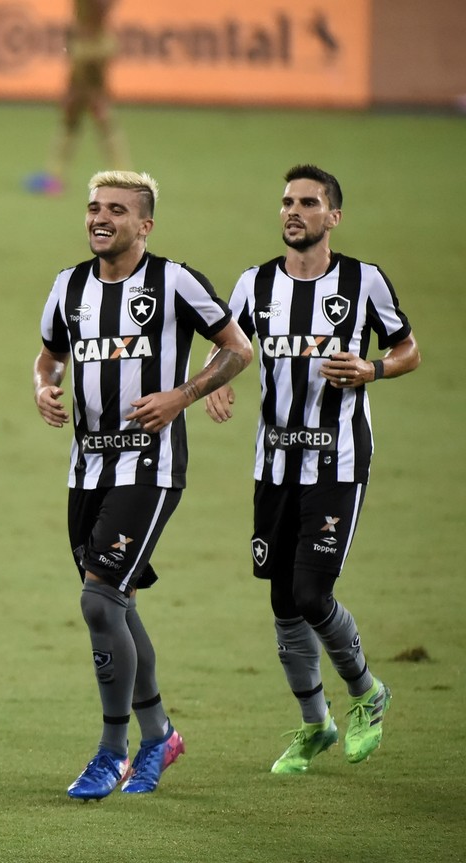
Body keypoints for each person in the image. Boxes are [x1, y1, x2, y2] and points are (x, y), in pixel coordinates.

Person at [33, 170, 252, 799]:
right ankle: (160, 735)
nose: (100, 218)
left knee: (98, 600)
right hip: (87, 468)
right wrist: (44, 388)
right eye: (94, 208)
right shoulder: (68, 286)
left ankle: (113, 751)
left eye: (117, 210)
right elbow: (49, 357)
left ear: (145, 225)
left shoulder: (174, 281)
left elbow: (238, 348)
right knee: (116, 603)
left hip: (149, 467)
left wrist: (183, 395)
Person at [204, 164, 420, 774]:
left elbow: (408, 348)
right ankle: (314, 723)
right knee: (281, 599)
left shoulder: (363, 281)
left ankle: (367, 692)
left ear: (334, 216)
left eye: (307, 202)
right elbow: (227, 346)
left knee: (310, 592)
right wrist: (217, 382)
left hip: (337, 459)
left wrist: (373, 369)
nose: (293, 212)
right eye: (287, 202)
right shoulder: (254, 284)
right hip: (274, 461)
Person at [26, 0, 129, 196]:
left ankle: (55, 178)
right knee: (83, 123)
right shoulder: (84, 31)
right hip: (86, 62)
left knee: (92, 122)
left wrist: (83, 92)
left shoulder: (98, 39)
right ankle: (55, 177)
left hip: (90, 65)